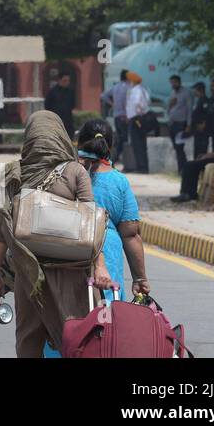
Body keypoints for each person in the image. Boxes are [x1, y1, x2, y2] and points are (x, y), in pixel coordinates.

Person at [0, 110, 114, 358]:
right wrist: (100, 266)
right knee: (79, 336)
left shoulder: (16, 172)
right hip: (73, 272)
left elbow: (2, 230)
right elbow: (92, 224)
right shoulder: (75, 171)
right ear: (60, 136)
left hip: (30, 274)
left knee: (28, 339)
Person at [76, 120, 149, 300]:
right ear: (110, 146)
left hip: (69, 255)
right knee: (107, 319)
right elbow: (130, 234)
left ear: (79, 143)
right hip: (108, 261)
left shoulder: (67, 174)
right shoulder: (119, 182)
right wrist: (139, 278)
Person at [166, 74, 195, 173]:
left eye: (175, 82)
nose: (173, 85)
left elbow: (190, 109)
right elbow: (169, 108)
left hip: (181, 123)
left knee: (179, 147)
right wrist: (170, 105)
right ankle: (181, 168)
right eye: (171, 83)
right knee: (176, 147)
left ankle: (183, 168)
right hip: (172, 123)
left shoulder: (186, 93)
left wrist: (188, 124)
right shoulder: (172, 93)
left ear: (179, 82)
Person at [102, 70, 131, 164]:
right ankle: (119, 157)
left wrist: (112, 103)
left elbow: (103, 96)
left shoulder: (116, 87)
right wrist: (127, 113)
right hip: (124, 115)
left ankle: (115, 157)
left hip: (116, 116)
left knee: (119, 138)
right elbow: (125, 102)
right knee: (125, 138)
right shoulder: (127, 87)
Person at [124, 71, 151, 173]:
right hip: (138, 118)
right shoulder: (142, 89)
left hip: (136, 119)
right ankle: (142, 167)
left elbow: (135, 104)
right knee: (140, 144)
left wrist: (130, 116)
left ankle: (141, 167)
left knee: (137, 144)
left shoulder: (136, 90)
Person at [44, 71, 76, 138]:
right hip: (55, 122)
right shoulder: (52, 92)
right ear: (59, 80)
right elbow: (47, 106)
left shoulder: (70, 92)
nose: (67, 82)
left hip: (68, 123)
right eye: (65, 80)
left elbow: (72, 105)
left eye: (68, 81)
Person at [189, 81, 214, 158]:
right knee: (197, 149)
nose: (194, 92)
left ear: (199, 90)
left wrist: (204, 124)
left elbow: (208, 114)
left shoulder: (205, 100)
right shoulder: (198, 100)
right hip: (197, 130)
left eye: (195, 90)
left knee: (202, 149)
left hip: (202, 130)